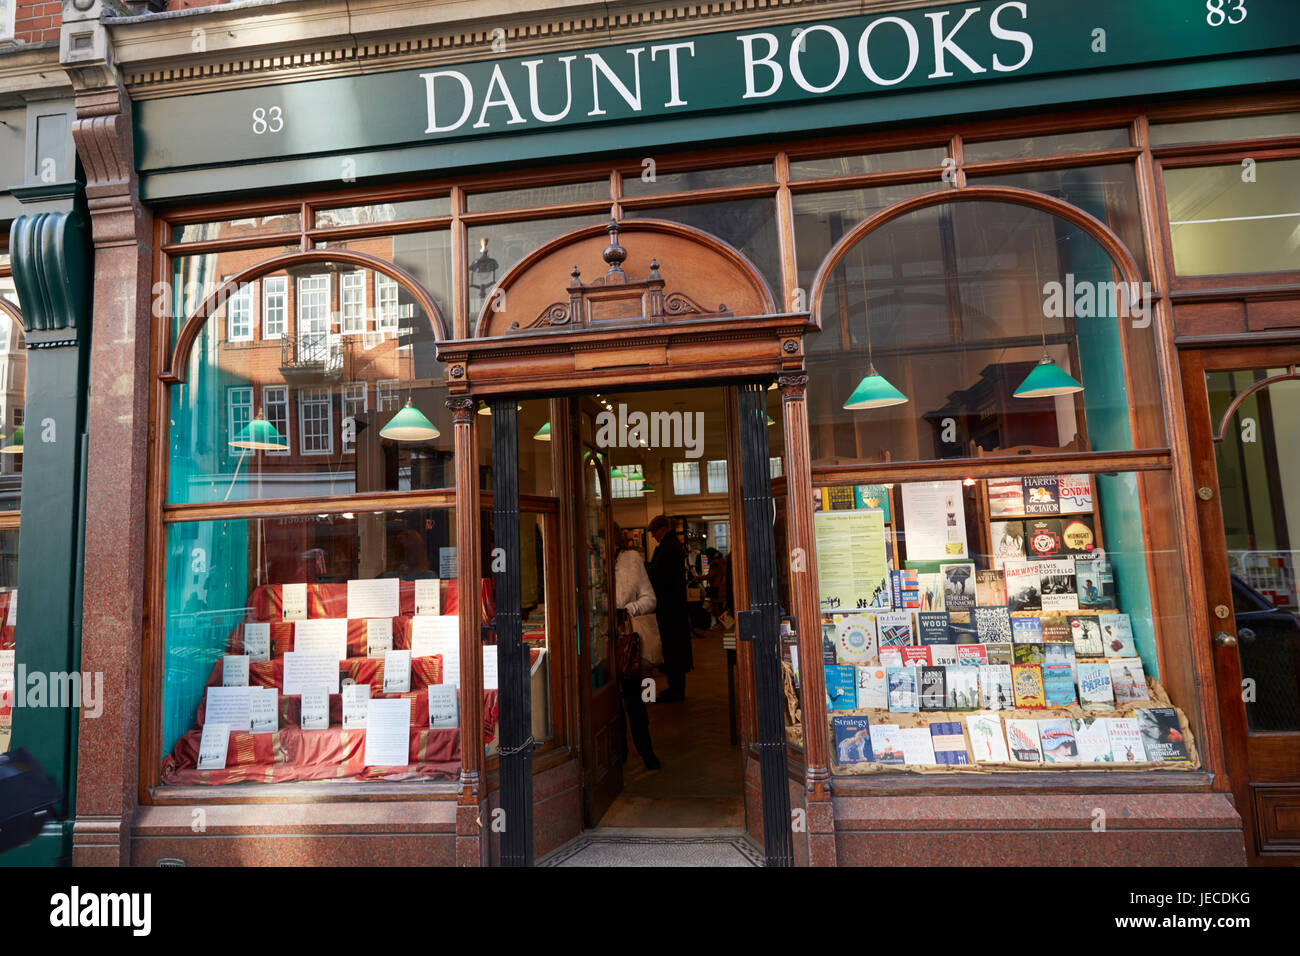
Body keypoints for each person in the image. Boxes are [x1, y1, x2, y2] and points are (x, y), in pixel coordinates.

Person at [613, 525, 660, 770]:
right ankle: (615, 758)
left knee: (635, 700)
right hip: (594, 646)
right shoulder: (580, 558)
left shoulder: (631, 560)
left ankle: (646, 751)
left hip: (627, 642)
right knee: (607, 705)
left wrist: (628, 609)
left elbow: (650, 599)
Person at [647, 514, 692, 701]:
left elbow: (660, 576)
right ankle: (676, 687)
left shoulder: (668, 548)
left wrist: (647, 570)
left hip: (670, 608)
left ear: (662, 529)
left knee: (673, 648)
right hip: (675, 607)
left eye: (654, 532)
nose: (652, 536)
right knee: (675, 649)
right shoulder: (673, 546)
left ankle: (676, 690)